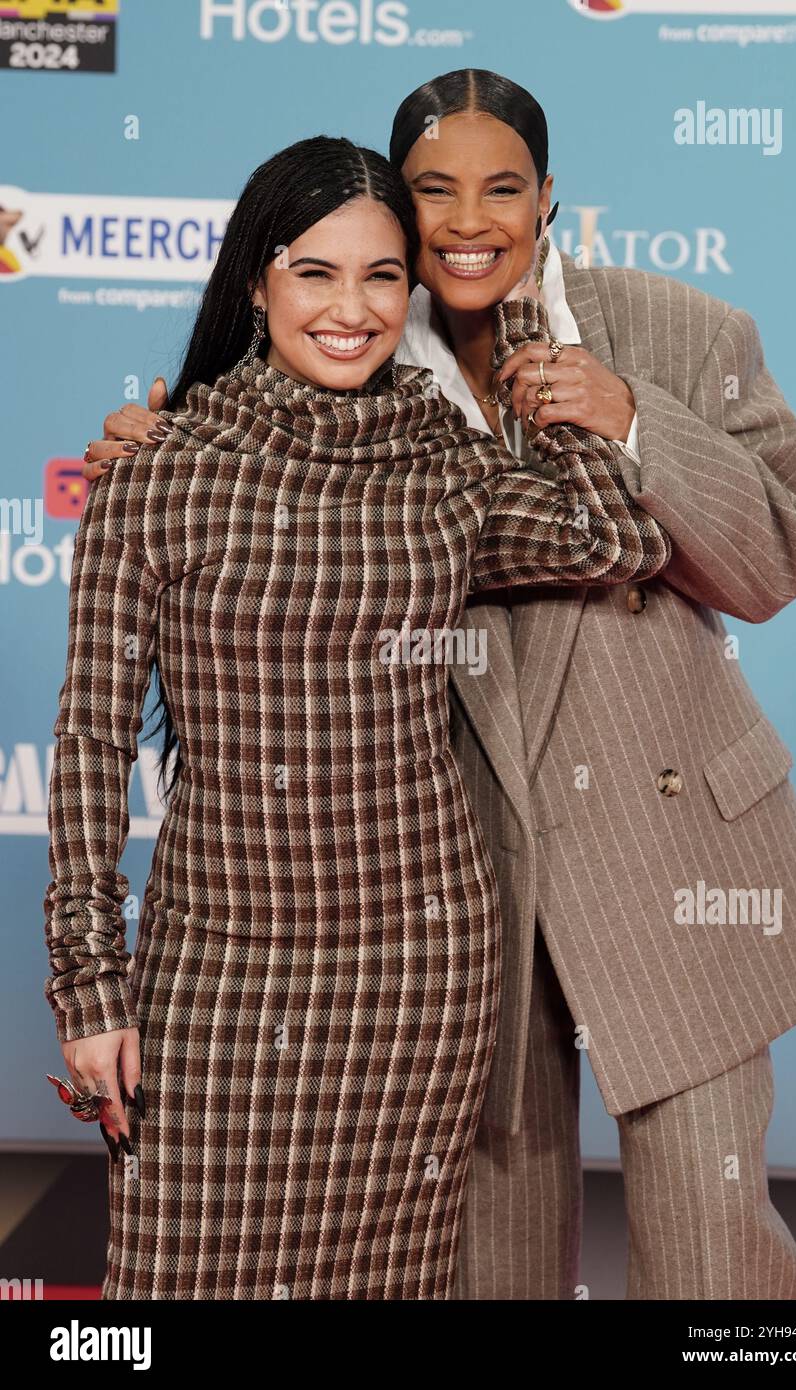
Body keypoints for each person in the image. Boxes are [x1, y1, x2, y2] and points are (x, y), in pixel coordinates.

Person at [81, 71, 796, 1301]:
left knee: (719, 1265)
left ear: (550, 200)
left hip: (672, 873)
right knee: (491, 1275)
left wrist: (629, 418)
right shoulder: (372, 378)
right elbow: (271, 514)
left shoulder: (678, 329)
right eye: (432, 191)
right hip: (461, 903)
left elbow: (775, 560)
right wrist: (162, 443)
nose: (468, 219)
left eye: (503, 187)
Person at [44, 135, 671, 1300]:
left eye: (384, 275)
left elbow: (613, 538)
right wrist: (89, 989)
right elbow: (89, 740)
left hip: (418, 965)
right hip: (220, 969)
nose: (352, 308)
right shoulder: (159, 473)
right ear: (256, 281)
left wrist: (534, 342)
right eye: (316, 271)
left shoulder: (440, 461)